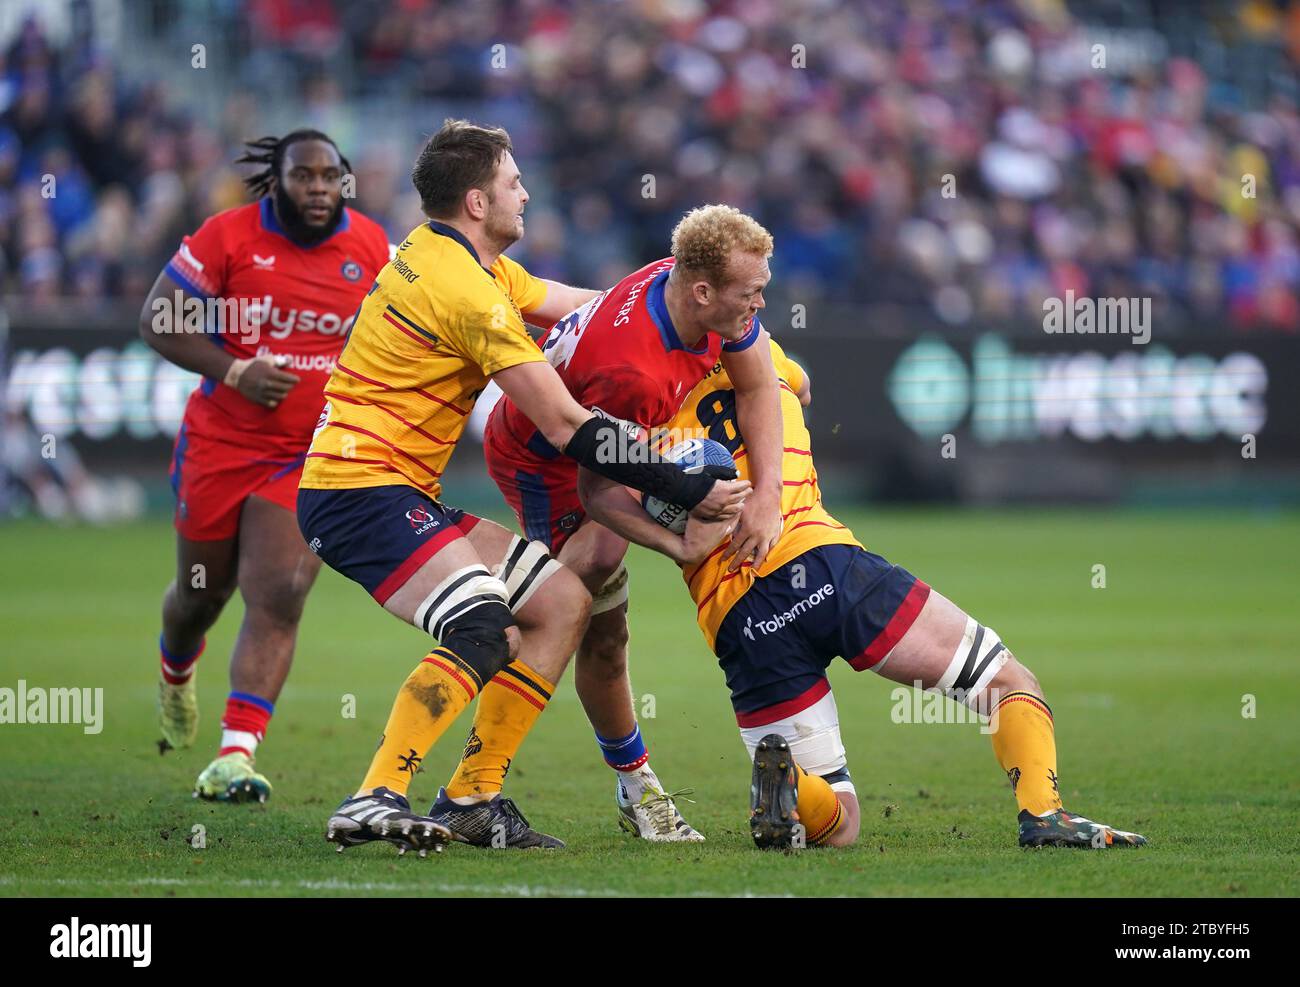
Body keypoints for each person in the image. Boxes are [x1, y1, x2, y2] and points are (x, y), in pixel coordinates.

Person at [296, 120, 749, 854]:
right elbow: (571, 425)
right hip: (358, 490)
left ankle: (473, 796)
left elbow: (586, 307)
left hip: (393, 489)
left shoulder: (461, 261)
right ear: (477, 201)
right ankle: (376, 794)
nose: (525, 193)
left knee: (561, 600)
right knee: (482, 626)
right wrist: (681, 483)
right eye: (513, 182)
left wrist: (679, 316)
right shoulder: (466, 292)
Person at [578, 339, 1148, 850]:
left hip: (738, 618)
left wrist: (675, 541)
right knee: (1005, 682)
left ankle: (796, 787)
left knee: (841, 823)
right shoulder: (761, 355)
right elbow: (803, 386)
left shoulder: (637, 420)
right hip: (823, 566)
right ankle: (1043, 815)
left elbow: (601, 495)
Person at [473, 204, 783, 841]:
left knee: (598, 621)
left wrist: (767, 497)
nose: (759, 303)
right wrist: (681, 546)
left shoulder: (694, 287)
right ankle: (512, 779)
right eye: (751, 293)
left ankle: (615, 786)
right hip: (543, 460)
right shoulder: (631, 374)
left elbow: (758, 387)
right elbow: (600, 493)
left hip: (616, 434)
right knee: (591, 602)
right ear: (702, 291)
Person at [139, 130, 390, 802]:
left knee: (279, 591)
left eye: (330, 175)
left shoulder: (371, 246)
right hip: (221, 445)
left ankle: (234, 754)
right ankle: (175, 670)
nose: (317, 188)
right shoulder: (226, 237)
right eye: (302, 175)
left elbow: (405, 331)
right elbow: (156, 319)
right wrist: (234, 370)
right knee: (200, 595)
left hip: (307, 453)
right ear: (275, 181)